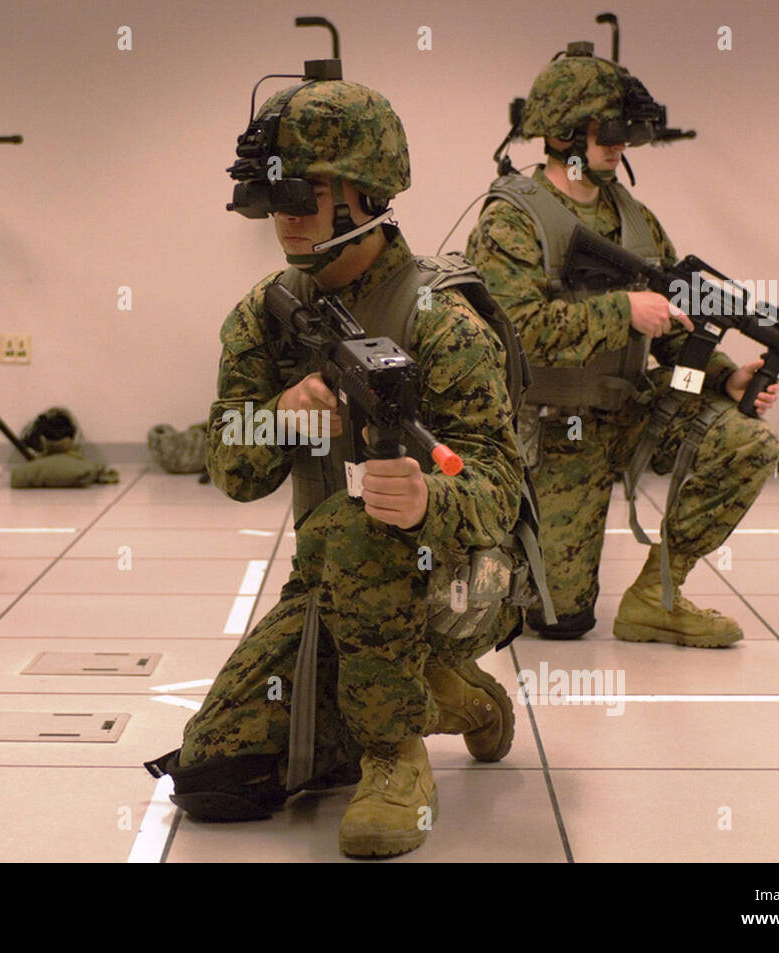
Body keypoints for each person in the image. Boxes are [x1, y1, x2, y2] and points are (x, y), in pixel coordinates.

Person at [147, 68, 542, 858]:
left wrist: (429, 499)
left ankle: (395, 755)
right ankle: (450, 696)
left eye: (306, 193)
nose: (285, 215)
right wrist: (277, 418)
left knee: (367, 533)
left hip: (465, 574)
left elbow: (501, 487)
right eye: (275, 194)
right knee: (218, 770)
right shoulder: (269, 315)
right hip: (338, 581)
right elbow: (232, 470)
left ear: (365, 194)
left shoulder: (441, 317)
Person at [466, 42, 779, 648]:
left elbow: (675, 322)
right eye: (606, 131)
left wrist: (724, 376)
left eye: (625, 132)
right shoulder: (512, 219)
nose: (620, 145)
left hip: (632, 406)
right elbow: (513, 329)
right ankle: (504, 544)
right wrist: (622, 311)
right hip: (550, 429)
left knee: (748, 441)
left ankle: (656, 598)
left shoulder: (634, 218)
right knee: (559, 621)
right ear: (562, 132)